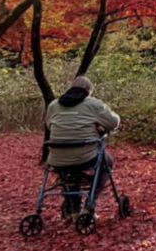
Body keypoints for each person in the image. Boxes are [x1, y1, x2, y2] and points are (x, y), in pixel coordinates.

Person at [44, 76, 120, 216]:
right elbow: (113, 122)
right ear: (89, 91)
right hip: (86, 155)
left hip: (57, 158)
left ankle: (74, 207)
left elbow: (49, 125)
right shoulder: (94, 104)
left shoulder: (53, 105)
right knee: (106, 162)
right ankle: (90, 203)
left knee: (69, 171)